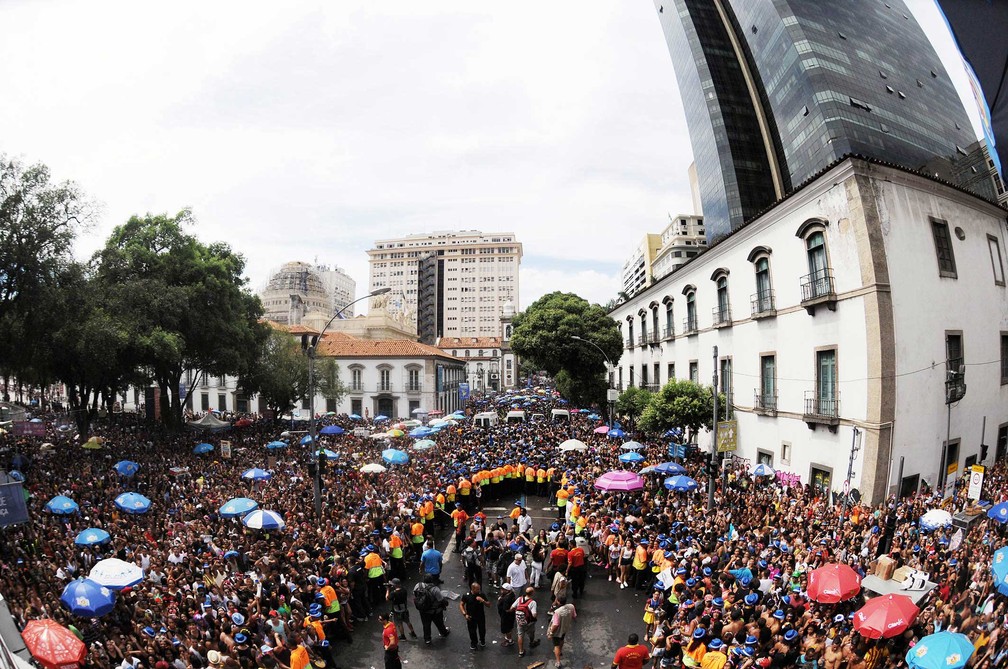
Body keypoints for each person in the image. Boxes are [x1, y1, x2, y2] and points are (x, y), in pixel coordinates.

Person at [413, 573, 451, 645]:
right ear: (432, 580)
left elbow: (415, 594)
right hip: (435, 611)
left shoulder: (418, 585)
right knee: (439, 623)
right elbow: (440, 600)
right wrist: (446, 603)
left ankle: (427, 639)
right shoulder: (435, 589)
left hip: (423, 610)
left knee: (426, 625)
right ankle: (443, 633)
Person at [459, 581, 492, 650]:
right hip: (471, 617)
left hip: (480, 616)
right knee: (472, 631)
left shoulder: (481, 594)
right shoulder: (466, 595)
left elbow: (488, 605)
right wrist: (465, 614)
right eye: (477, 589)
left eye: (479, 589)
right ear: (473, 589)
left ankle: (482, 640)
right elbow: (461, 604)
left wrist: (482, 600)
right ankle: (474, 642)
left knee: (482, 630)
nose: (479, 590)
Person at [548, 594, 577, 669]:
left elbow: (555, 625)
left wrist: (551, 633)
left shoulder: (557, 612)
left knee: (556, 645)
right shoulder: (571, 606)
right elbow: (574, 616)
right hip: (565, 628)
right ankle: (560, 651)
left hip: (557, 631)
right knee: (562, 639)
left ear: (558, 601)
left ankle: (558, 662)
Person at [510, 585, 540, 658]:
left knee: (520, 635)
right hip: (529, 622)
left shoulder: (519, 599)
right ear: (532, 593)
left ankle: (521, 651)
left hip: (520, 622)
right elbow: (534, 615)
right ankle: (531, 642)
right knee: (531, 632)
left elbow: (512, 608)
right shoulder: (532, 602)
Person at [498, 582, 517, 647]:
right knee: (508, 627)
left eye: (503, 589)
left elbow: (506, 609)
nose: (501, 590)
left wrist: (500, 600)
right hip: (510, 615)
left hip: (506, 616)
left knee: (507, 628)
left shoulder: (507, 599)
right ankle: (507, 638)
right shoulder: (511, 594)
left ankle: (509, 640)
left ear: (507, 590)